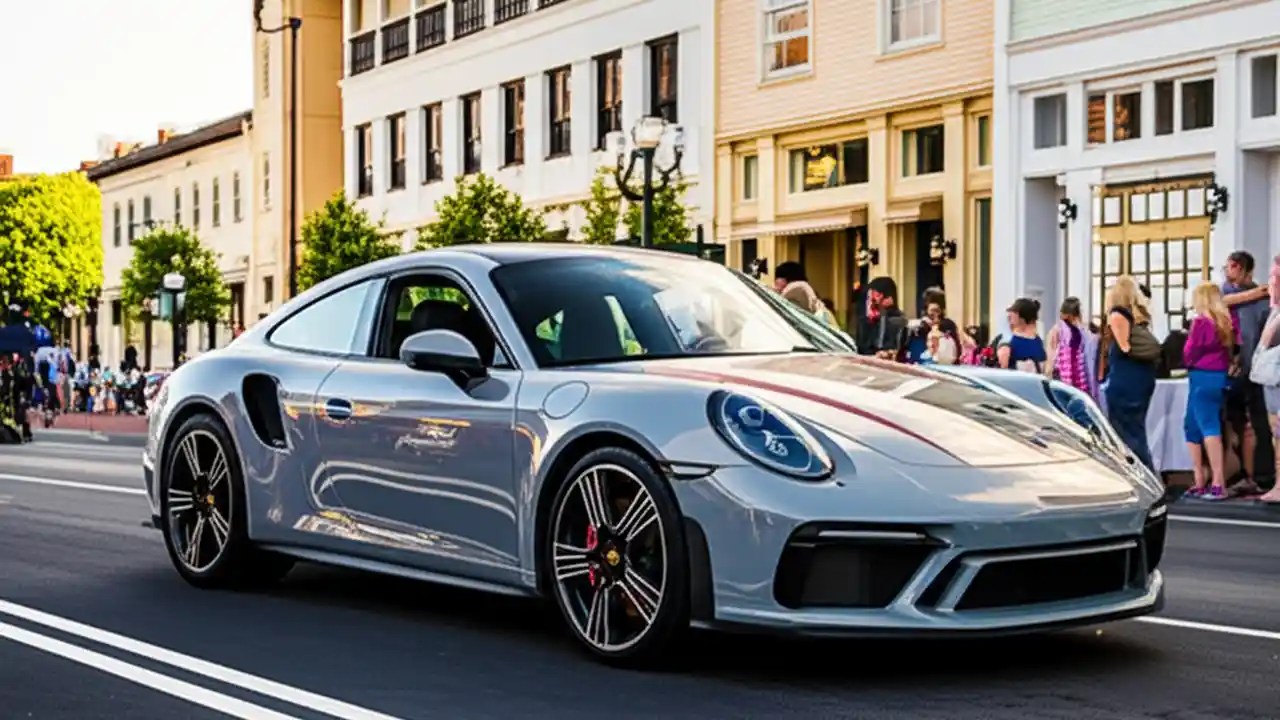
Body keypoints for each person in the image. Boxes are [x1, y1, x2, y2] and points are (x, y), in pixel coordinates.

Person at [1220, 250, 1275, 496]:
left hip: (1255, 369)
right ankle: (1238, 474)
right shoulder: (1225, 293)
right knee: (1233, 424)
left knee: (1259, 424)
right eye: (1228, 267)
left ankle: (1261, 476)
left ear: (1246, 270)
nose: (1230, 272)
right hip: (1230, 371)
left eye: (1234, 267)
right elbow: (1218, 302)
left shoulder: (1264, 302)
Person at [1099, 275, 1159, 471]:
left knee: (1126, 434)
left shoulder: (1117, 315)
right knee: (1137, 430)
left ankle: (1142, 478)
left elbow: (1124, 347)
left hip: (1125, 382)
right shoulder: (1140, 321)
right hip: (1142, 380)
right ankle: (1147, 476)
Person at [1182, 283, 1234, 500]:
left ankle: (1217, 483)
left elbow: (1189, 351)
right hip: (1217, 377)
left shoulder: (1201, 322)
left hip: (1202, 377)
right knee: (1191, 425)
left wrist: (1187, 360)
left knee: (1208, 427)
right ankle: (1200, 479)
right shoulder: (1225, 322)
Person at [1045, 297, 1097, 398]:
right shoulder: (1058, 329)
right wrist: (1048, 373)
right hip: (1062, 372)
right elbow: (1051, 352)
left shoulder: (1081, 329)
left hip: (1079, 373)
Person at [773, 262, 840, 329]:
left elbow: (780, 300)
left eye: (778, 278)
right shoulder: (802, 288)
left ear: (785, 278)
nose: (775, 281)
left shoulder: (797, 287)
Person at [856, 276, 906, 359]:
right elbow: (862, 348)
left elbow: (885, 346)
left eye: (874, 296)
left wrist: (883, 314)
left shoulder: (897, 320)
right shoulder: (867, 320)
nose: (871, 301)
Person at [997, 298, 1046, 373]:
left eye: (1014, 312)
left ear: (1022, 316)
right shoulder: (1007, 340)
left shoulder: (1038, 340)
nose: (1009, 315)